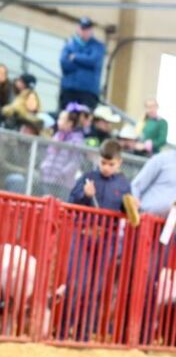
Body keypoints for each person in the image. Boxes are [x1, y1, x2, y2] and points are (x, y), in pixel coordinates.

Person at [60, 139, 131, 341]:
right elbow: (71, 202)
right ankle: (64, 332)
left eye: (111, 164)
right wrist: (85, 194)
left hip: (106, 241)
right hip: (83, 237)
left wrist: (133, 206)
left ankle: (83, 335)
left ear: (119, 163)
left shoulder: (124, 186)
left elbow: (130, 213)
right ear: (99, 160)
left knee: (94, 288)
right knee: (76, 284)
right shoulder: (88, 178)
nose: (106, 168)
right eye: (103, 163)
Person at [59, 16, 105, 111]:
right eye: (83, 29)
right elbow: (64, 63)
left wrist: (75, 57)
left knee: (84, 118)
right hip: (69, 89)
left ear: (91, 30)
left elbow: (93, 61)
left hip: (88, 92)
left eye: (87, 29)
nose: (85, 32)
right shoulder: (69, 44)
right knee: (66, 116)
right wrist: (84, 63)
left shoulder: (98, 46)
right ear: (78, 29)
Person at [39, 110, 85, 199]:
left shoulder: (76, 141)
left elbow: (75, 162)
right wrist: (44, 166)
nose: (58, 122)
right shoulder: (56, 136)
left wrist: (62, 174)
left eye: (62, 119)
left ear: (70, 123)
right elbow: (48, 154)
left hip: (64, 183)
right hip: (48, 177)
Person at [132, 148, 176, 219]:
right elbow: (136, 186)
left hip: (169, 225)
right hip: (145, 218)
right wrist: (134, 212)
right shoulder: (162, 159)